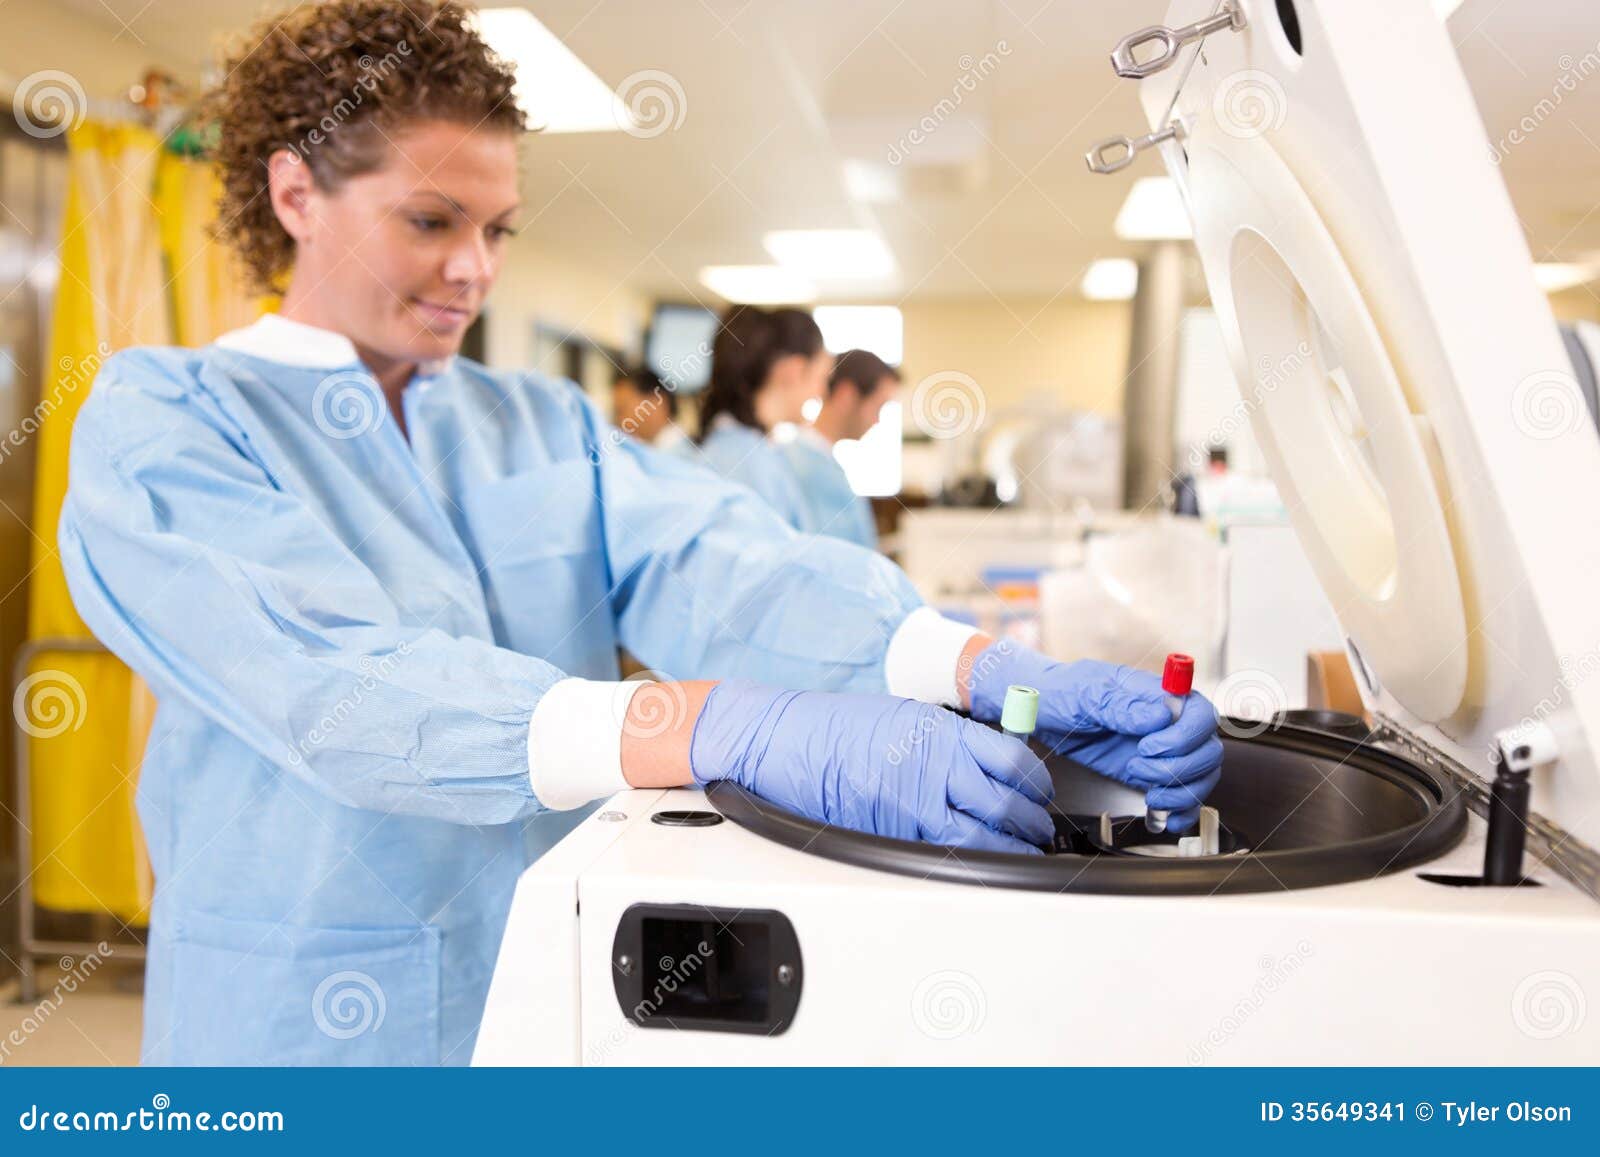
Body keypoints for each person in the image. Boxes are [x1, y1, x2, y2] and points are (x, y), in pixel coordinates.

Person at [56, 0, 1223, 1067]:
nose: (475, 269)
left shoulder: (533, 418)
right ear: (296, 194)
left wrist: (968, 662)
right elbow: (337, 681)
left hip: (548, 983)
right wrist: (717, 721)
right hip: (302, 1023)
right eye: (430, 220)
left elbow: (724, 563)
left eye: (500, 228)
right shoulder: (165, 422)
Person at [682, 305, 829, 530]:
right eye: (821, 377)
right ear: (794, 370)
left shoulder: (750, 451)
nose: (822, 392)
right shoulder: (747, 462)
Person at [784, 348, 899, 548]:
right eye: (878, 407)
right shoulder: (806, 469)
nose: (877, 420)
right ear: (846, 395)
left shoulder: (822, 463)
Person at [610, 365, 688, 453]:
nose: (619, 422)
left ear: (656, 402)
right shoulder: (654, 450)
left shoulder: (681, 456)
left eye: (622, 410)